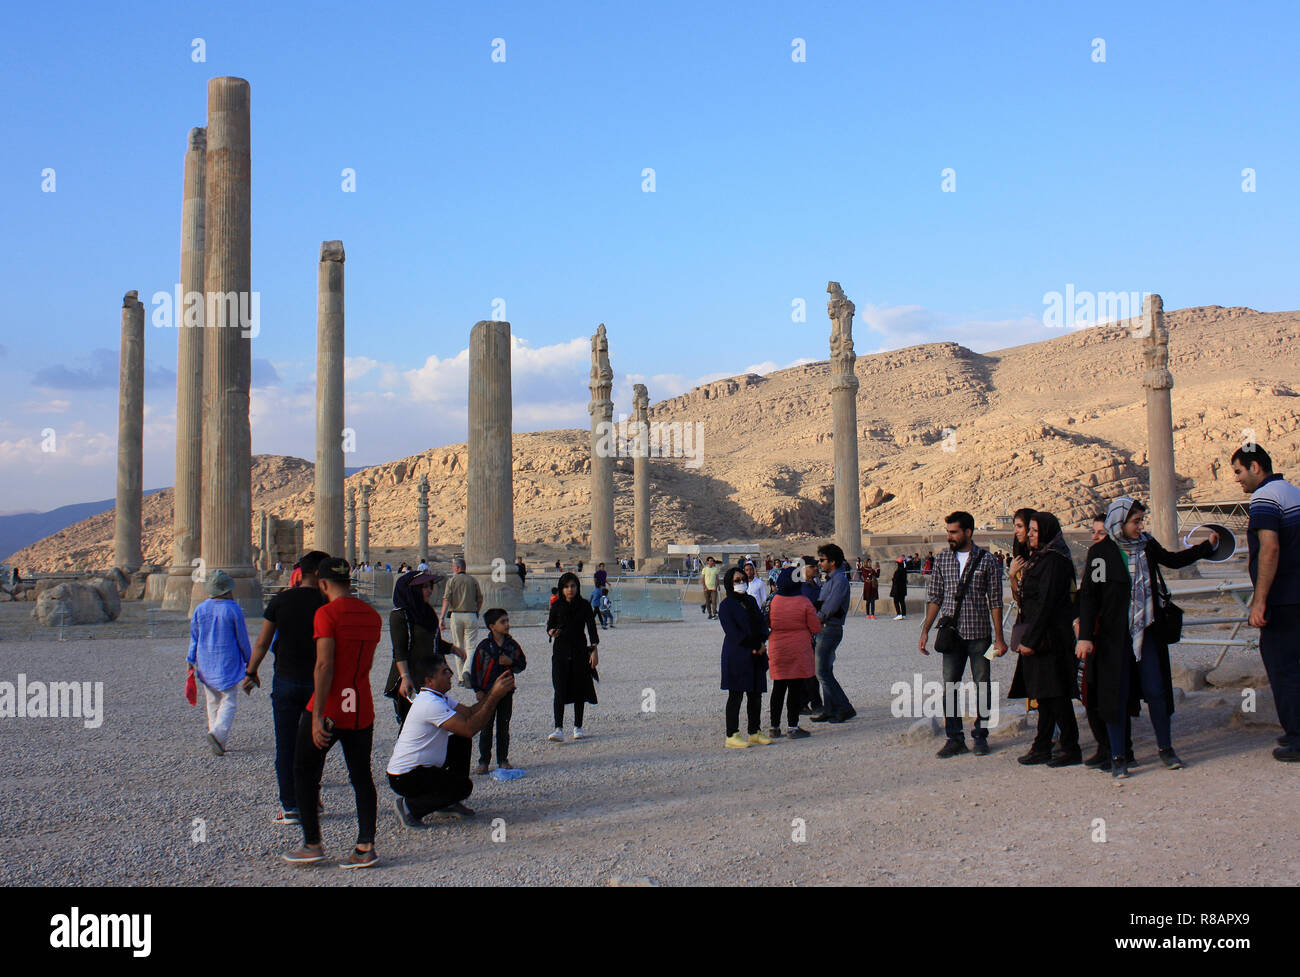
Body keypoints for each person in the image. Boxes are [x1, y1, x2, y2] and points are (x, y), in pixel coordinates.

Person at [1076, 498, 1217, 779]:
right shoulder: (1101, 553)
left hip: (1148, 631)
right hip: (1114, 639)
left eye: (1141, 520)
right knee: (1116, 695)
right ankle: (1118, 757)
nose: (1140, 526)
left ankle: (1166, 749)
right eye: (1135, 521)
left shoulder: (1147, 546)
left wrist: (1205, 547)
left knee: (1156, 692)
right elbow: (1090, 597)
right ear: (1120, 522)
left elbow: (1173, 560)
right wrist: (1086, 637)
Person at [283, 558, 383, 868]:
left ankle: (313, 843)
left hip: (329, 706)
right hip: (359, 704)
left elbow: (325, 665)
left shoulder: (326, 614)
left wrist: (316, 716)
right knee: (361, 776)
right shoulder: (371, 615)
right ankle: (365, 845)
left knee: (305, 772)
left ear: (323, 584)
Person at [244, 550, 329, 823]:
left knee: (286, 745)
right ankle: (311, 799)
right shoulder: (327, 603)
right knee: (315, 744)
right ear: (318, 574)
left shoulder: (280, 600)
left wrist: (251, 671)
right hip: (319, 682)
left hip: (286, 679)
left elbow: (262, 642)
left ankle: (291, 805)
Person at [388, 654, 516, 826]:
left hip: (420, 769)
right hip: (405, 777)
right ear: (429, 680)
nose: (451, 675)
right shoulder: (430, 703)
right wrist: (494, 697)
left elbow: (470, 713)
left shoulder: (438, 697)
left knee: (460, 740)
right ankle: (410, 807)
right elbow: (469, 728)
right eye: (444, 672)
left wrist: (493, 691)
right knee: (463, 787)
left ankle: (447, 802)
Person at [1230, 444, 1300, 761]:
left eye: (1238, 471)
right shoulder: (1293, 492)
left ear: (1256, 467)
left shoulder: (1264, 498)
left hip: (1284, 599)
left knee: (1283, 668)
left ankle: (1297, 738)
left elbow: (1269, 550)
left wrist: (1259, 601)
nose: (1237, 480)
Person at [919, 512, 1006, 757]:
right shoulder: (942, 559)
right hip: (952, 634)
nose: (950, 537)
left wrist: (999, 637)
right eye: (948, 532)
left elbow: (995, 601)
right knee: (950, 686)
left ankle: (981, 735)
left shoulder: (987, 560)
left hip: (980, 634)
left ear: (968, 532)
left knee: (983, 685)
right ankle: (954, 738)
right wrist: (925, 629)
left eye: (954, 532)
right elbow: (935, 597)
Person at [1008, 512, 1080, 766]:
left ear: (1047, 532)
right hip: (1041, 636)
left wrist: (1030, 640)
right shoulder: (1041, 559)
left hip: (1050, 638)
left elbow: (1046, 604)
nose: (1030, 535)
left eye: (1035, 531)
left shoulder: (1054, 561)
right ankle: (1042, 745)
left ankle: (1070, 746)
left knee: (1056, 694)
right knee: (1046, 694)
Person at [1079, 513, 1131, 768]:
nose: (1095, 538)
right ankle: (1108, 746)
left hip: (1118, 634)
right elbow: (1090, 595)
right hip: (1100, 633)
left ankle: (1120, 749)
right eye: (1093, 533)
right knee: (1097, 692)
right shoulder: (1100, 556)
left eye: (1100, 533)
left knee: (1115, 693)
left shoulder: (1127, 553)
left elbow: (1093, 596)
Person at [187, 570, 252, 757]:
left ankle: (218, 739)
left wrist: (190, 660)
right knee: (229, 700)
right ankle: (218, 733)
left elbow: (194, 638)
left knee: (212, 701)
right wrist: (250, 662)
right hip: (227, 662)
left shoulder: (201, 609)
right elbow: (243, 639)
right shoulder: (233, 609)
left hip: (206, 662)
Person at [386, 570, 460, 728]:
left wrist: (454, 649)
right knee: (412, 727)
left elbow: (434, 642)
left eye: (430, 586)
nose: (430, 590)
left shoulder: (427, 612)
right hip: (412, 678)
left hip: (431, 677)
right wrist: (405, 677)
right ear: (412, 590)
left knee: (434, 726)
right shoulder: (400, 615)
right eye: (424, 587)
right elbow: (400, 650)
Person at [468, 608, 527, 774]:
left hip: (506, 692)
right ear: (492, 626)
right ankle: (484, 761)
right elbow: (476, 668)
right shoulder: (484, 647)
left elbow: (521, 663)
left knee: (503, 726)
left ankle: (502, 759)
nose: (507, 624)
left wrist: (511, 661)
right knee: (486, 727)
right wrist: (477, 689)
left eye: (507, 620)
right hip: (487, 693)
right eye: (503, 621)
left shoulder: (512, 645)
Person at [719, 566, 770, 748]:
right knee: (736, 695)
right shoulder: (725, 605)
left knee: (755, 695)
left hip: (756, 654)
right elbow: (733, 632)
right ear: (729, 584)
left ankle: (754, 732)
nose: (741, 582)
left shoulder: (750, 600)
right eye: (737, 580)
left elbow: (760, 623)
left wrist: (763, 641)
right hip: (738, 654)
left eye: (743, 579)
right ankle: (732, 734)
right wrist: (754, 645)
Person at [766, 568, 820, 739]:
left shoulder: (772, 600)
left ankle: (774, 727)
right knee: (795, 690)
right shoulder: (803, 601)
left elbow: (764, 621)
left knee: (778, 688)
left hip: (778, 647)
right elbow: (815, 627)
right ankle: (793, 727)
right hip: (799, 648)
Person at [545, 572, 599, 741]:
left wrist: (594, 651)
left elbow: (591, 629)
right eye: (567, 587)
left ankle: (578, 726)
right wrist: (552, 632)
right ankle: (558, 728)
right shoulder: (556, 606)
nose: (570, 590)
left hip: (579, 650)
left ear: (577, 587)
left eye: (573, 586)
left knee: (579, 689)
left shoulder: (584, 605)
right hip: (560, 651)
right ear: (562, 589)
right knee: (559, 688)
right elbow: (549, 626)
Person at [811, 543, 856, 723]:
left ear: (833, 562)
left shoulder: (839, 581)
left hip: (830, 627)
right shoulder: (830, 579)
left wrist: (817, 618)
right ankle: (830, 709)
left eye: (822, 560)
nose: (819, 564)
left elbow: (830, 606)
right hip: (824, 627)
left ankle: (844, 707)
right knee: (825, 670)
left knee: (821, 671)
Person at [440, 556, 482, 687]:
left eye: (453, 567)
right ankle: (467, 671)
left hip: (456, 615)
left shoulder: (451, 581)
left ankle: (460, 678)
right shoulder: (473, 580)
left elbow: (446, 599)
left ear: (457, 568)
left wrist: (441, 617)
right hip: (470, 614)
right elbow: (480, 599)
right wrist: (477, 611)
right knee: (471, 646)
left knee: (458, 646)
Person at [799, 556, 824, 714]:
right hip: (805, 633)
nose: (816, 568)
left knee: (816, 668)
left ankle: (814, 701)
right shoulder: (800, 587)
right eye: (812, 566)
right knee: (807, 669)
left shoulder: (815, 585)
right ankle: (805, 702)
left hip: (817, 631)